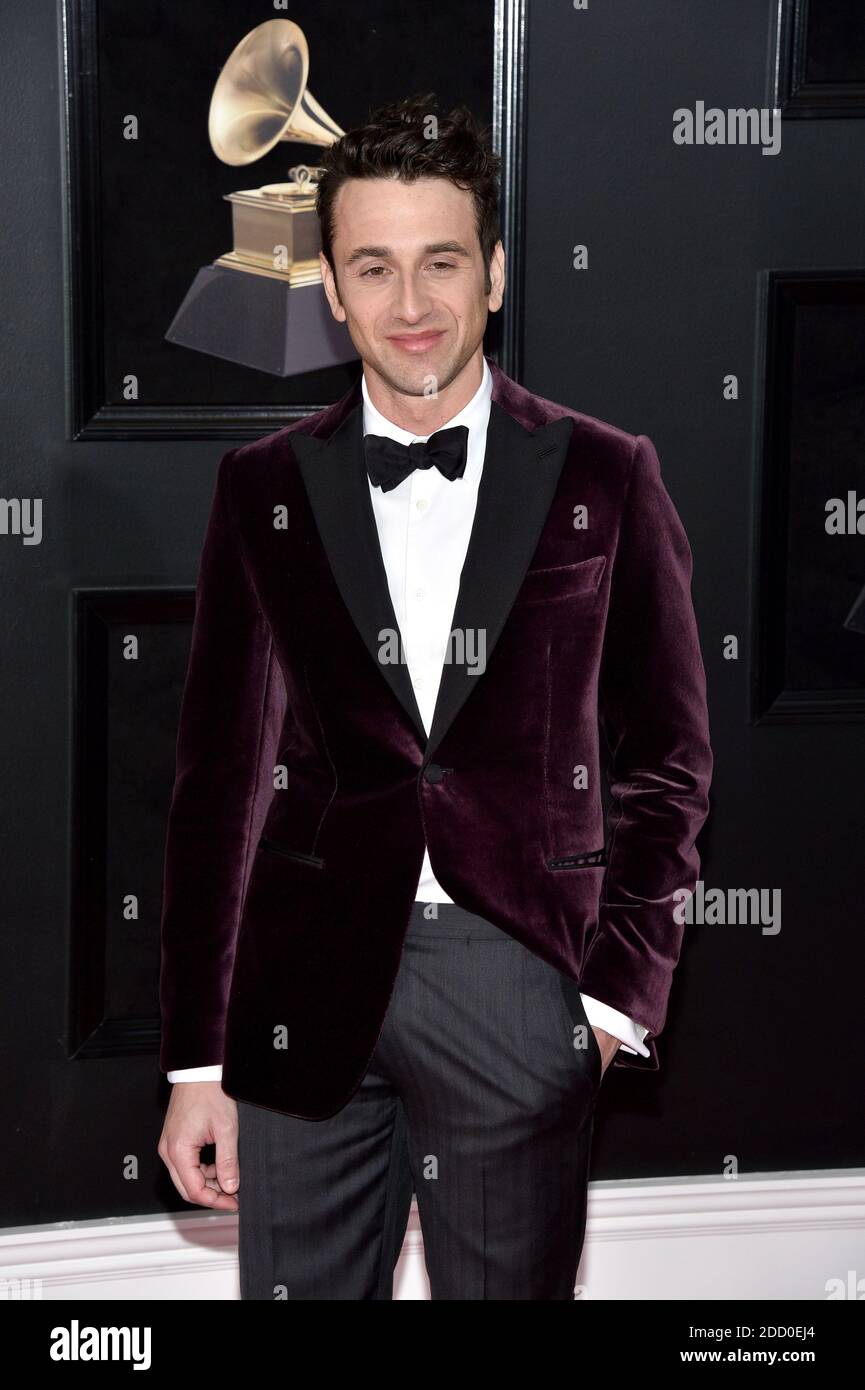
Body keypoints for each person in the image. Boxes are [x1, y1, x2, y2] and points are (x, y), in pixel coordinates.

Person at [157, 93, 713, 1300]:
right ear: (334, 291)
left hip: (516, 981)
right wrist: (197, 1058)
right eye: (374, 268)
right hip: (300, 983)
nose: (410, 307)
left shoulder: (607, 473)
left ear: (496, 273)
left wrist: (613, 1002)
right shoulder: (260, 487)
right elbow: (219, 782)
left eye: (441, 263)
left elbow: (667, 761)